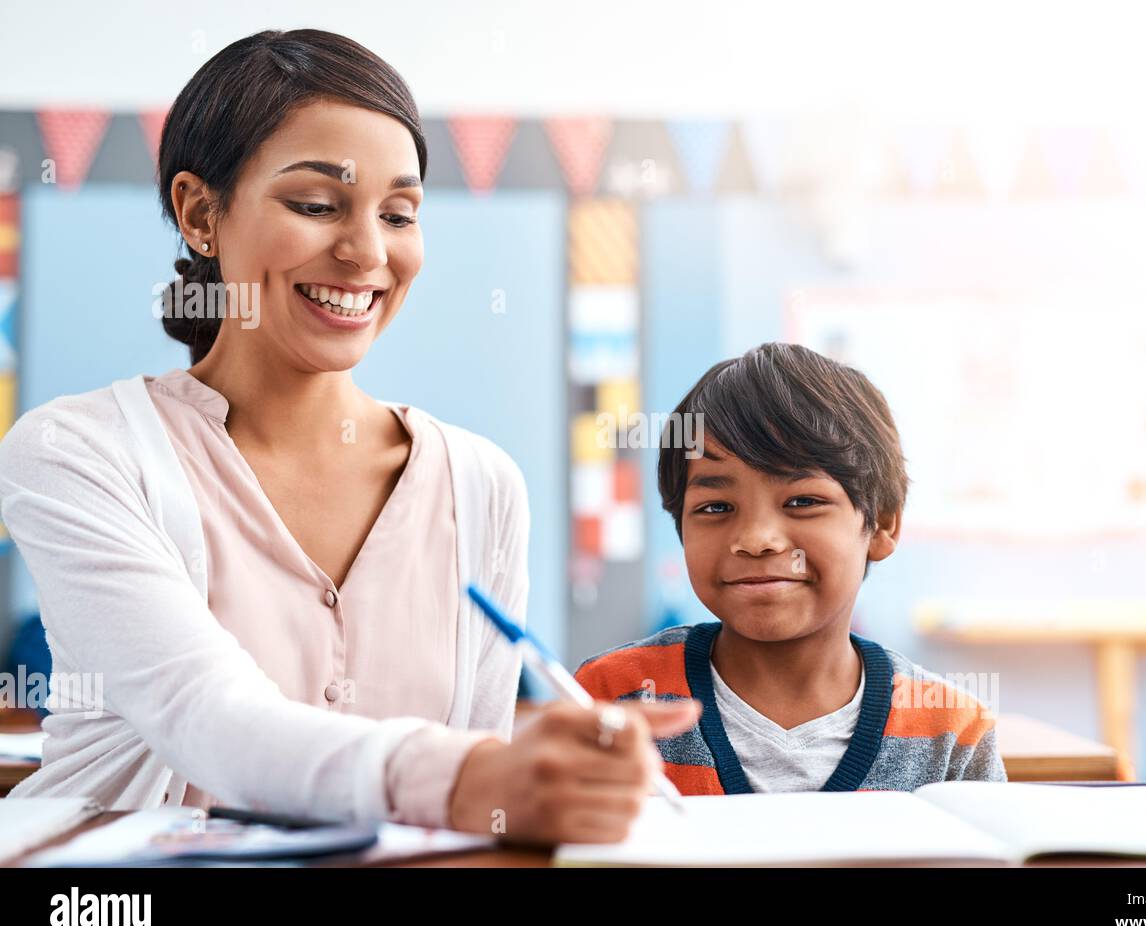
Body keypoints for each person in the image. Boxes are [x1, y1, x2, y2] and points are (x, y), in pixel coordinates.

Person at [0, 28, 699, 845]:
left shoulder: (480, 484)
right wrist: (474, 775)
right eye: (316, 205)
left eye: (398, 213)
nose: (367, 251)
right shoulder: (78, 452)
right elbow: (207, 715)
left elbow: (474, 816)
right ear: (199, 213)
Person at [576, 342, 1006, 794]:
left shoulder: (953, 731)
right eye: (716, 506)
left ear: (881, 524)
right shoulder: (612, 697)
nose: (757, 539)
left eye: (803, 501)